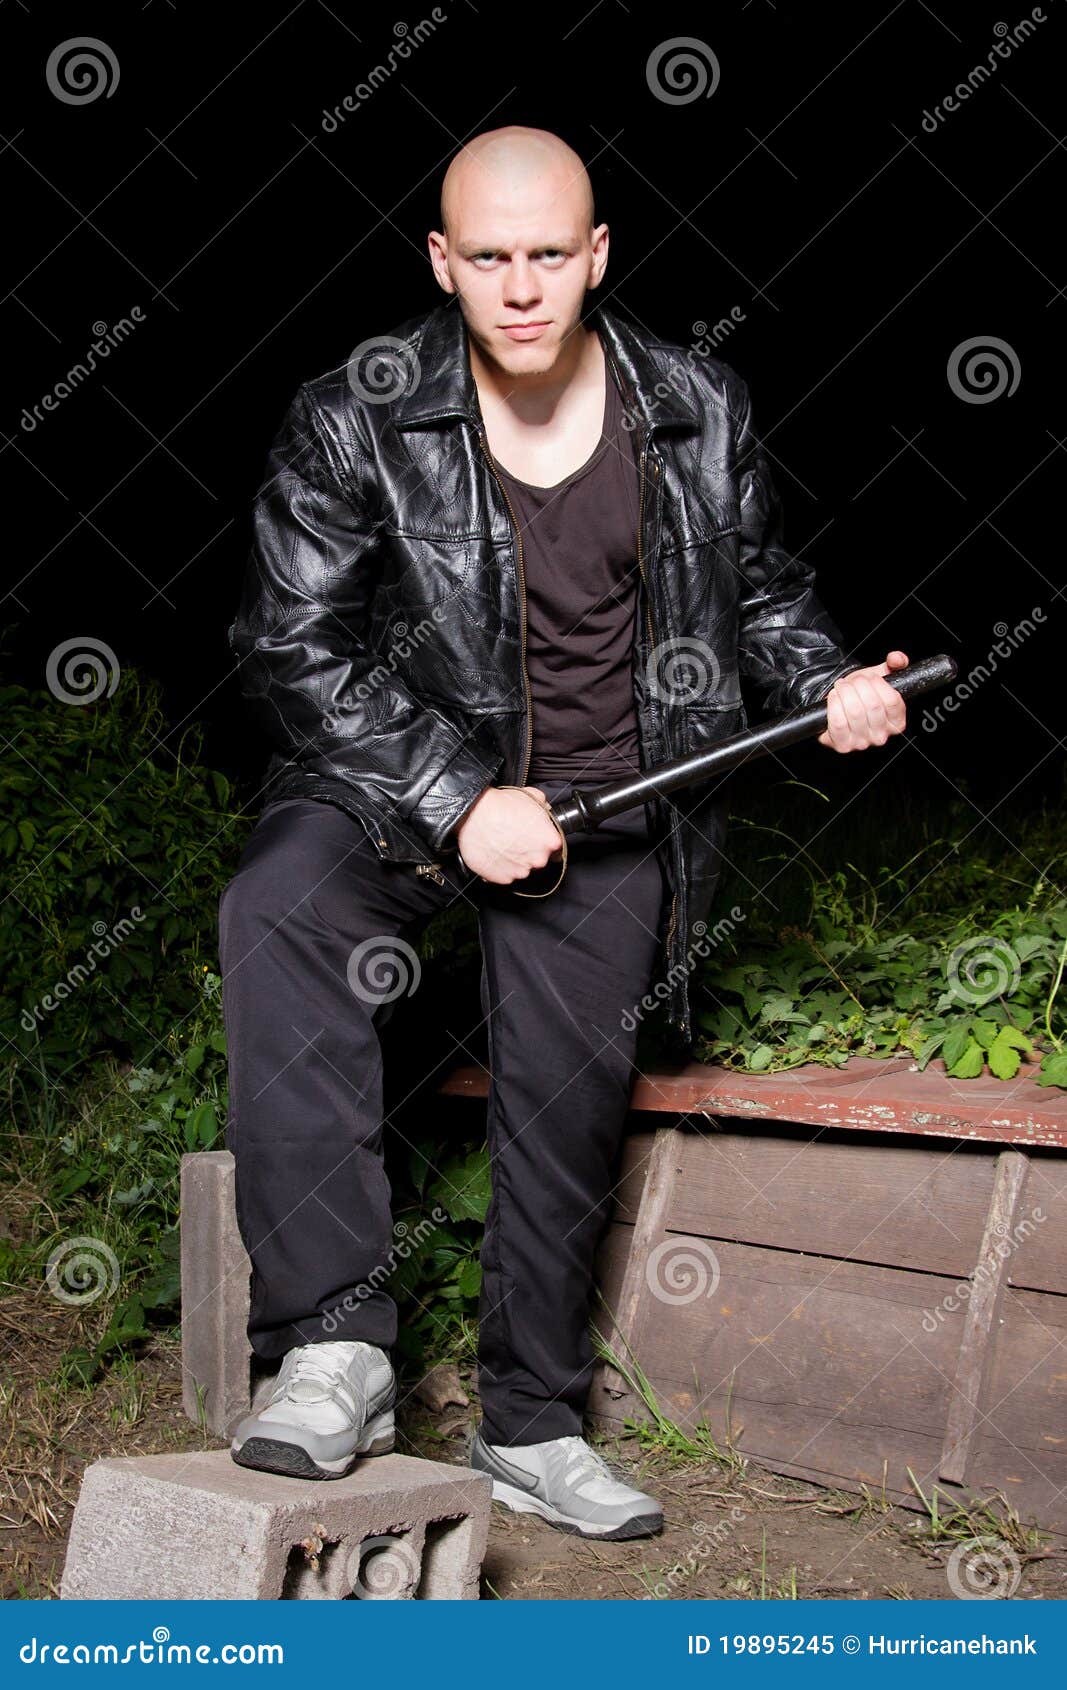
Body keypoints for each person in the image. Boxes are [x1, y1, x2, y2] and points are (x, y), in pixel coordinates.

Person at [219, 126, 907, 1539]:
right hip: (400, 789)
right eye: (489, 257)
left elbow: (760, 587)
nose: (521, 288)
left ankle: (532, 1419)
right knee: (279, 909)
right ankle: (334, 1345)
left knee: (566, 1102)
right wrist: (459, 798)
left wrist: (828, 677)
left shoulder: (696, 402)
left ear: (597, 255)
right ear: (441, 261)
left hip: (612, 801)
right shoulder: (358, 408)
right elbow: (290, 646)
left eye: (549, 255)